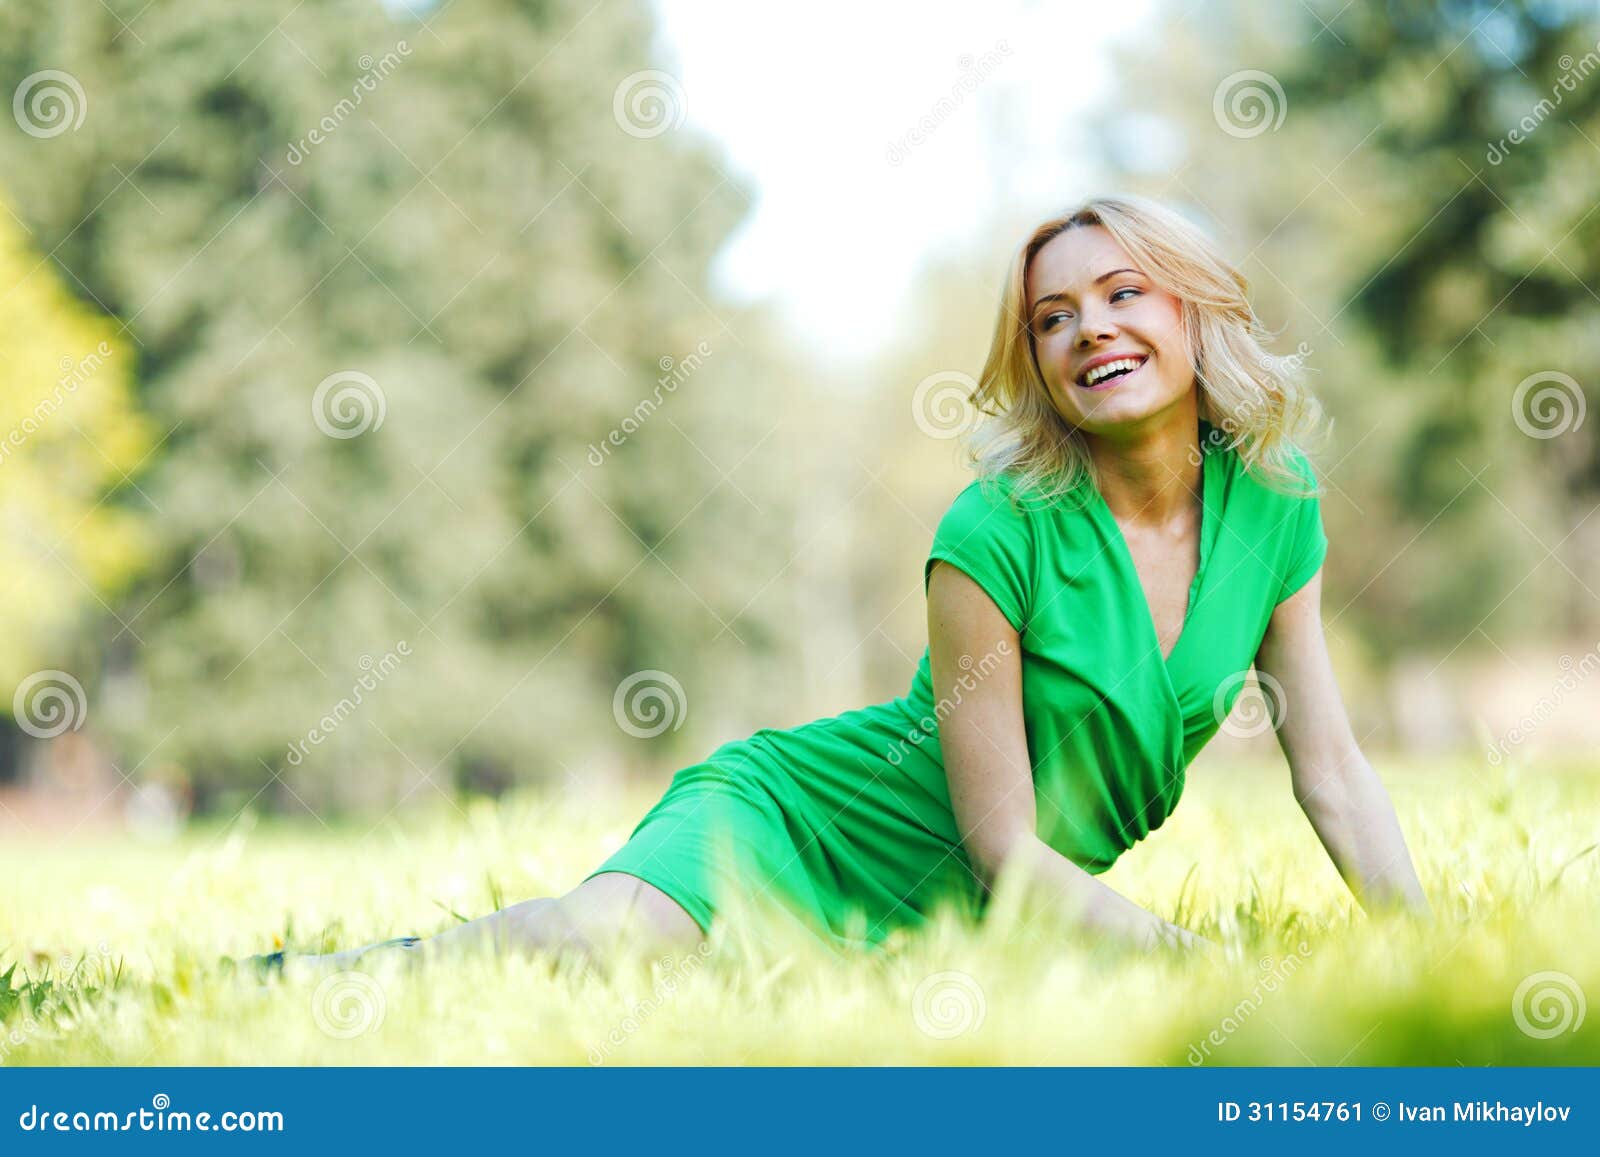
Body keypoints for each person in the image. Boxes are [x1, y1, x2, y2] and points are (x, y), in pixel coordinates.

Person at [253, 193, 1431, 979]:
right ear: (1035, 364)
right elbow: (1003, 847)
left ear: (1194, 307)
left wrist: (1422, 942)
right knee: (601, 945)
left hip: (958, 931)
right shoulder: (996, 528)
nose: (1091, 329)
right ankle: (328, 975)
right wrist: (1200, 964)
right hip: (798, 821)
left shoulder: (1277, 506)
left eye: (1125, 293)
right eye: (1053, 317)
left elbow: (1329, 766)